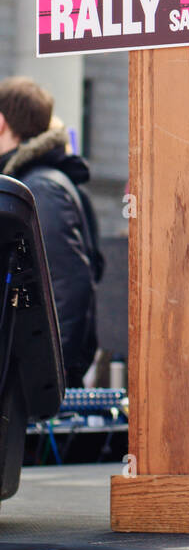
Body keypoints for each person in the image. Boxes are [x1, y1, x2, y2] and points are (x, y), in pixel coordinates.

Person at [0, 77, 102, 386]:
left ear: (1, 123)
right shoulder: (32, 183)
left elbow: (68, 286)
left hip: (29, 388)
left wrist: (47, 381)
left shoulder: (39, 188)